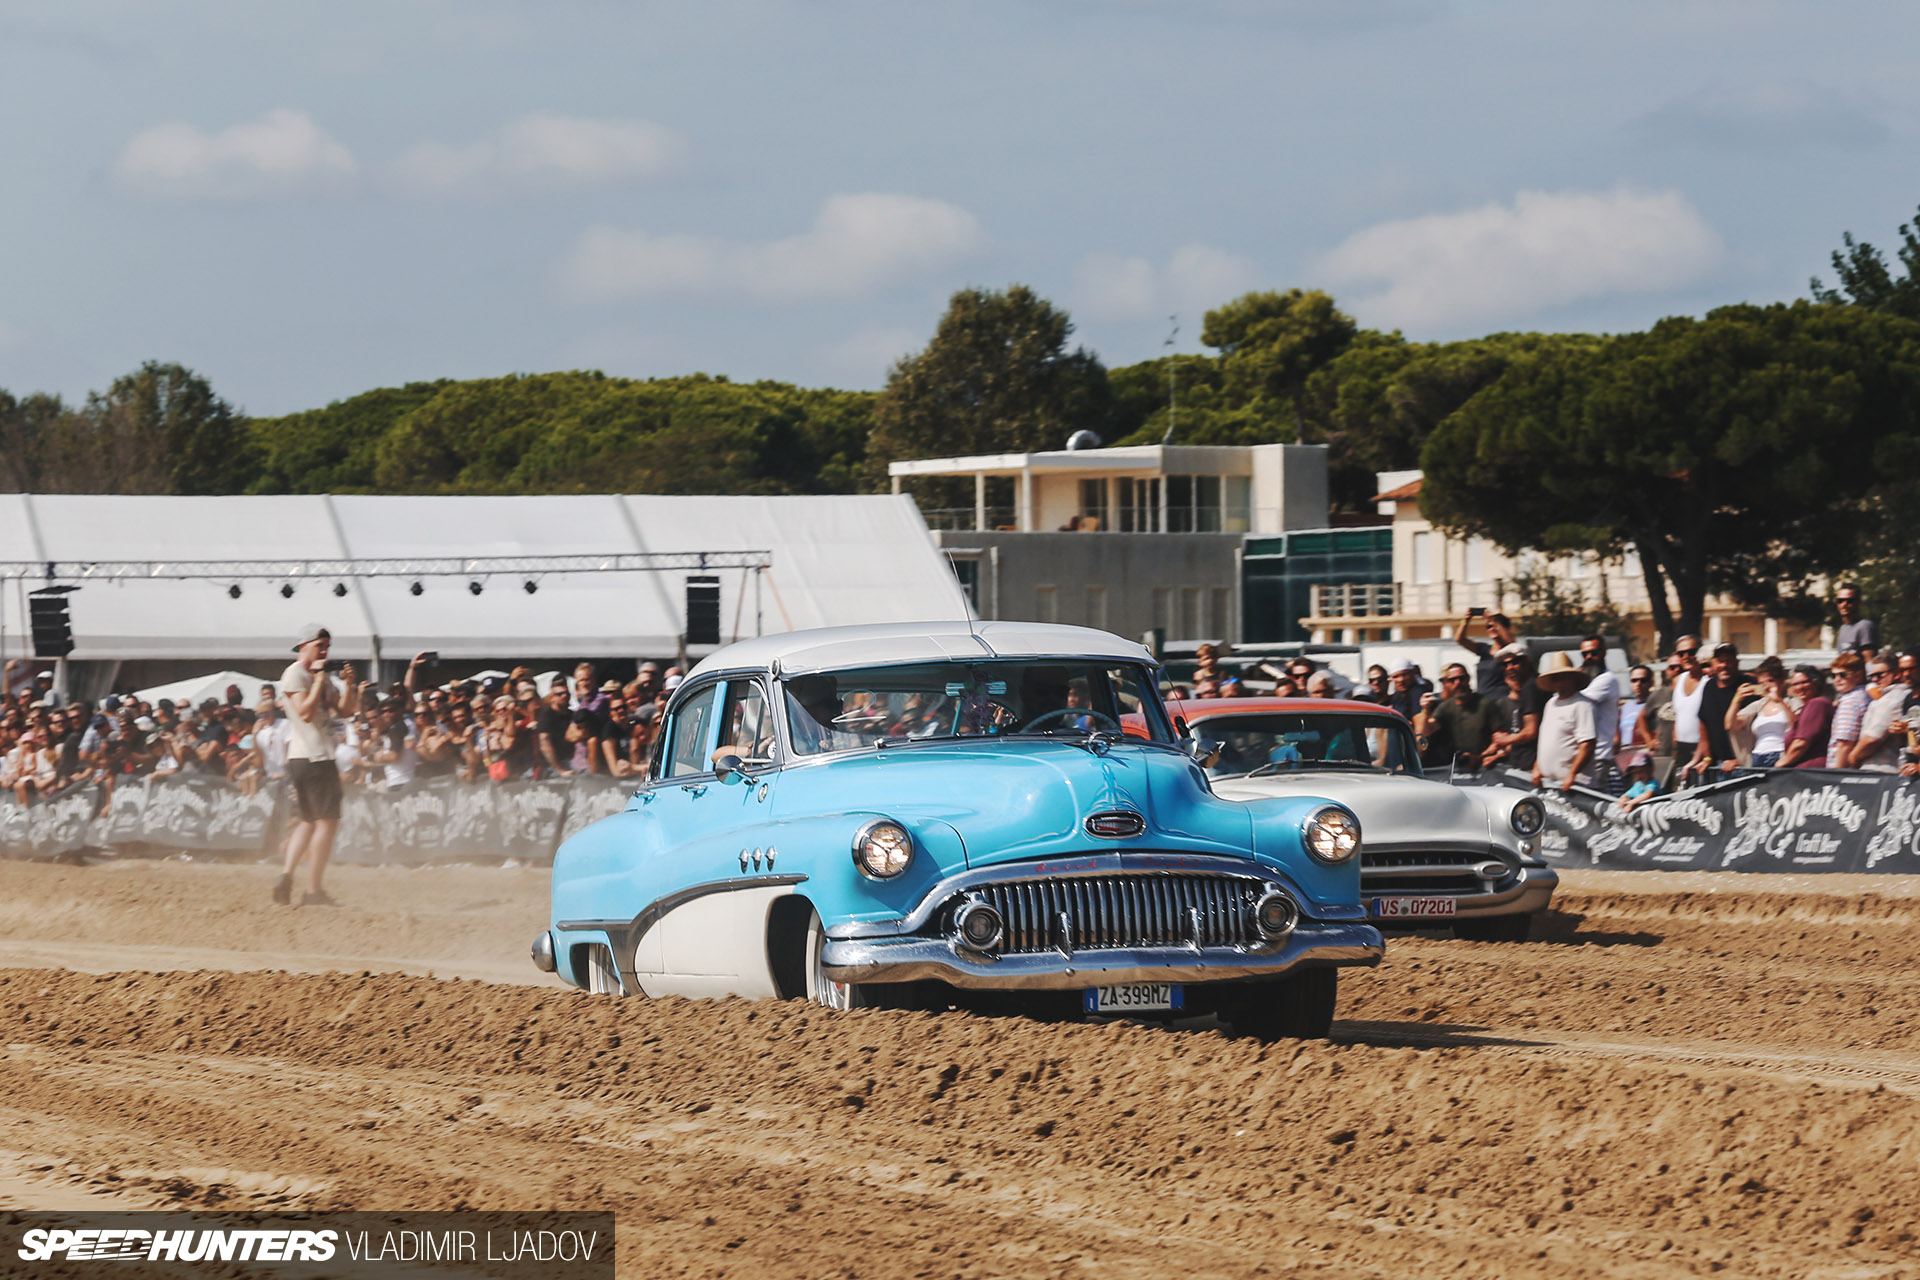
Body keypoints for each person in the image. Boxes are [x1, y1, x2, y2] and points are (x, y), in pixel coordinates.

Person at [273, 624, 359, 907]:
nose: (324, 651)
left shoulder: (319, 676)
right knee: (327, 823)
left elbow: (345, 711)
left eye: (327, 646)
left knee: (309, 821)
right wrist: (320, 679)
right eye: (319, 646)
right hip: (313, 756)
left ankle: (286, 877)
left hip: (311, 756)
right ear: (304, 646)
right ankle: (313, 890)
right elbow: (306, 713)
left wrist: (349, 684)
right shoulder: (296, 673)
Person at [1415, 661, 1505, 771]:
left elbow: (1500, 739)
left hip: (1485, 767)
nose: (1457, 683)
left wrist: (1479, 757)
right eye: (1452, 680)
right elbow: (1426, 732)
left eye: (1461, 678)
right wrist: (1425, 710)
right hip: (1457, 769)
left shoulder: (1486, 704)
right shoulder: (1446, 707)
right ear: (1446, 684)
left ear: (1468, 679)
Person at [1685, 642, 1751, 782]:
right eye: (1720, 661)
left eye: (1729, 661)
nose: (1724, 665)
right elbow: (1703, 723)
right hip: (1719, 766)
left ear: (1737, 663)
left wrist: (1740, 760)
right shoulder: (1709, 687)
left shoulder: (1748, 686)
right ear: (1713, 664)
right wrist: (1707, 757)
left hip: (1745, 766)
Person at [1532, 651, 1597, 792]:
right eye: (1555, 679)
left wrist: (1572, 774)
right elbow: (1546, 740)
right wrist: (1538, 767)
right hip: (1550, 783)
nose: (1560, 683)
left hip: (1576, 785)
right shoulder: (1551, 704)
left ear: (1573, 679)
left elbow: (1587, 744)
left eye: (1564, 678)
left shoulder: (1582, 705)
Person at [1850, 651, 1916, 772]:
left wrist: (1853, 758)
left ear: (1896, 674)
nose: (1875, 679)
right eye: (1872, 676)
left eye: (1880, 675)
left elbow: (1872, 738)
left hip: (1880, 769)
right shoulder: (1906, 696)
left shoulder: (1892, 698)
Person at [1483, 647, 1542, 772]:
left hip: (1531, 766)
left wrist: (1505, 739)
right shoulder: (1529, 688)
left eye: (1514, 662)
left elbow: (1531, 732)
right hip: (1522, 763)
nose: (1509, 668)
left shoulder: (1531, 687)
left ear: (1527, 661)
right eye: (1505, 665)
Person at [1577, 636, 1622, 792]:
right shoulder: (1587, 681)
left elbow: (1578, 701)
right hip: (1585, 755)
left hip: (1598, 756)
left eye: (1593, 653)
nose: (1589, 657)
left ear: (1604, 653)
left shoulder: (1607, 680)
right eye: (1585, 654)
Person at [1730, 661, 1793, 768]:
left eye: (1770, 681)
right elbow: (1731, 725)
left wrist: (1779, 701)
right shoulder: (1759, 705)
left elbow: (1796, 725)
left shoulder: (1792, 702)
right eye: (1761, 683)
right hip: (1758, 755)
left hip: (1780, 754)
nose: (1766, 686)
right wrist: (1736, 699)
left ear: (1781, 681)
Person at [1666, 636, 1707, 769]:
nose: (1686, 657)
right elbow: (1678, 716)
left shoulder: (1708, 681)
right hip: (1681, 748)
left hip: (1703, 748)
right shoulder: (1677, 681)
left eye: (1691, 652)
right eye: (1681, 654)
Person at [1454, 610, 1518, 696]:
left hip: (1501, 698)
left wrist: (1496, 618)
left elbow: (1510, 641)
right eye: (1489, 626)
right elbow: (1460, 639)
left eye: (1495, 626)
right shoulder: (1484, 649)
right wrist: (1465, 621)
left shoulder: (1510, 650)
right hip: (1483, 700)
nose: (1492, 629)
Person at [1781, 666, 1833, 770]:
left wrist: (1781, 764)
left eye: (1804, 682)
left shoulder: (1817, 703)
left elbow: (1801, 743)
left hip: (1811, 771)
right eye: (1795, 684)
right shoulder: (1807, 707)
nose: (1800, 687)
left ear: (1816, 682)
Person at [1826, 652, 1871, 769]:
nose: (1837, 680)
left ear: (1858, 675)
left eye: (1843, 675)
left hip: (1842, 769)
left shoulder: (1851, 701)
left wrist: (1837, 774)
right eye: (1834, 676)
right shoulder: (1866, 695)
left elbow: (1845, 743)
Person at [1834, 585, 1879, 661]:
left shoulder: (1865, 626)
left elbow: (1869, 662)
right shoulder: (1843, 628)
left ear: (1858, 602)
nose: (1844, 604)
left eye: (1849, 601)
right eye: (1840, 601)